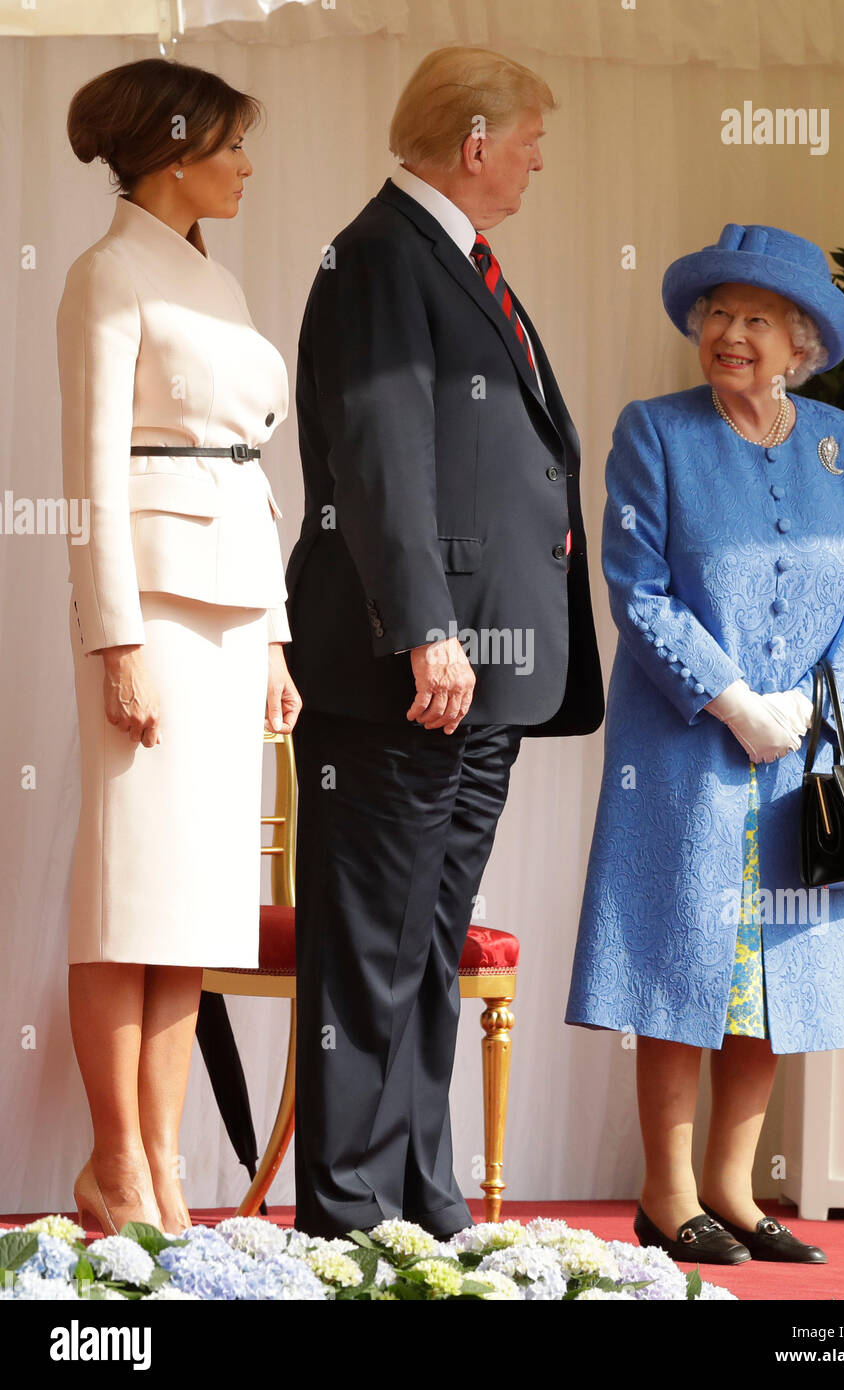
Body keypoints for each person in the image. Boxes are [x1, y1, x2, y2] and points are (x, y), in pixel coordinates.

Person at [285, 45, 604, 1239]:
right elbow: (379, 459)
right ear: (475, 141)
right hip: (408, 671)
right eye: (527, 142)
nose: (534, 163)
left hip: (489, 678)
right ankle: (350, 1221)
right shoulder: (377, 257)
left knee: (426, 948)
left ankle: (418, 1203)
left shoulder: (451, 257)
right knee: (371, 953)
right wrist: (427, 627)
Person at [565, 223, 844, 1264]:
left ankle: (734, 1186)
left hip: (800, 757)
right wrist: (732, 700)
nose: (730, 333)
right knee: (679, 961)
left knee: (775, 971)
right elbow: (639, 589)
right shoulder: (655, 432)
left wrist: (813, 704)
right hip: (683, 747)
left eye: (756, 318)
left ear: (799, 343)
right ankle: (667, 1193)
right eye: (718, 313)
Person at [58, 58, 301, 1237]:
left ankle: (160, 1160)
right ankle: (117, 1162)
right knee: (125, 898)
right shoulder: (108, 275)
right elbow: (91, 476)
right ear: (172, 151)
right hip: (149, 614)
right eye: (232, 144)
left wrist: (275, 642)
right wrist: (115, 641)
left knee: (193, 908)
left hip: (232, 614)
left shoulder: (219, 283)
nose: (248, 164)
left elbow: (248, 473)